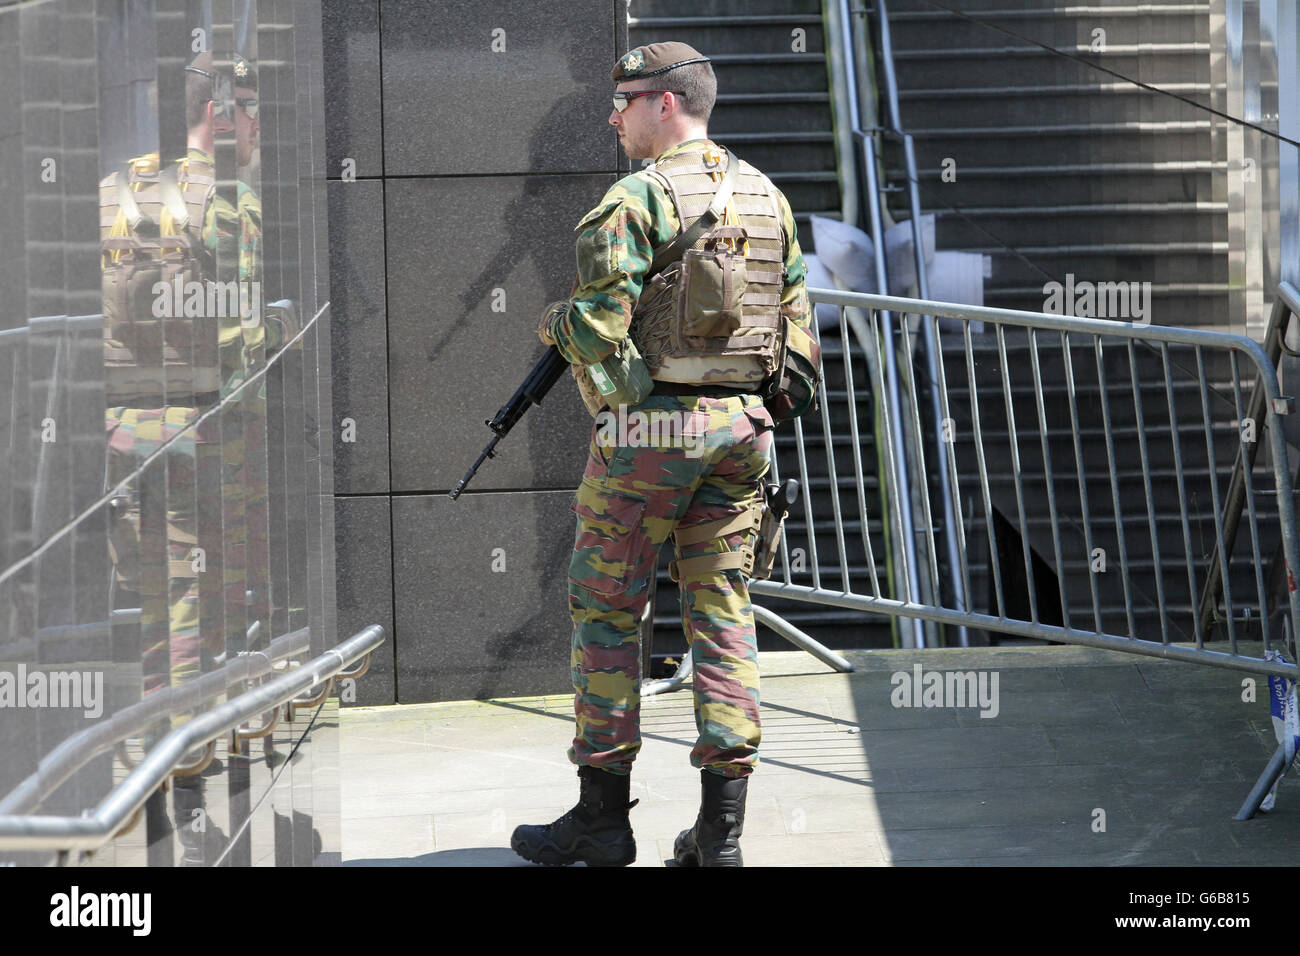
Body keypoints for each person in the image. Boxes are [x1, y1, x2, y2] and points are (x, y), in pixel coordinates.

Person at [512, 42, 809, 867]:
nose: (612, 114)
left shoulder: (634, 200)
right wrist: (759, 413)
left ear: (667, 104)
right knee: (723, 616)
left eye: (625, 98)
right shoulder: (766, 197)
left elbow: (599, 328)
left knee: (609, 612)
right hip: (742, 435)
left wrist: (550, 323)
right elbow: (800, 337)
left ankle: (602, 823)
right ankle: (721, 838)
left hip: (648, 436)